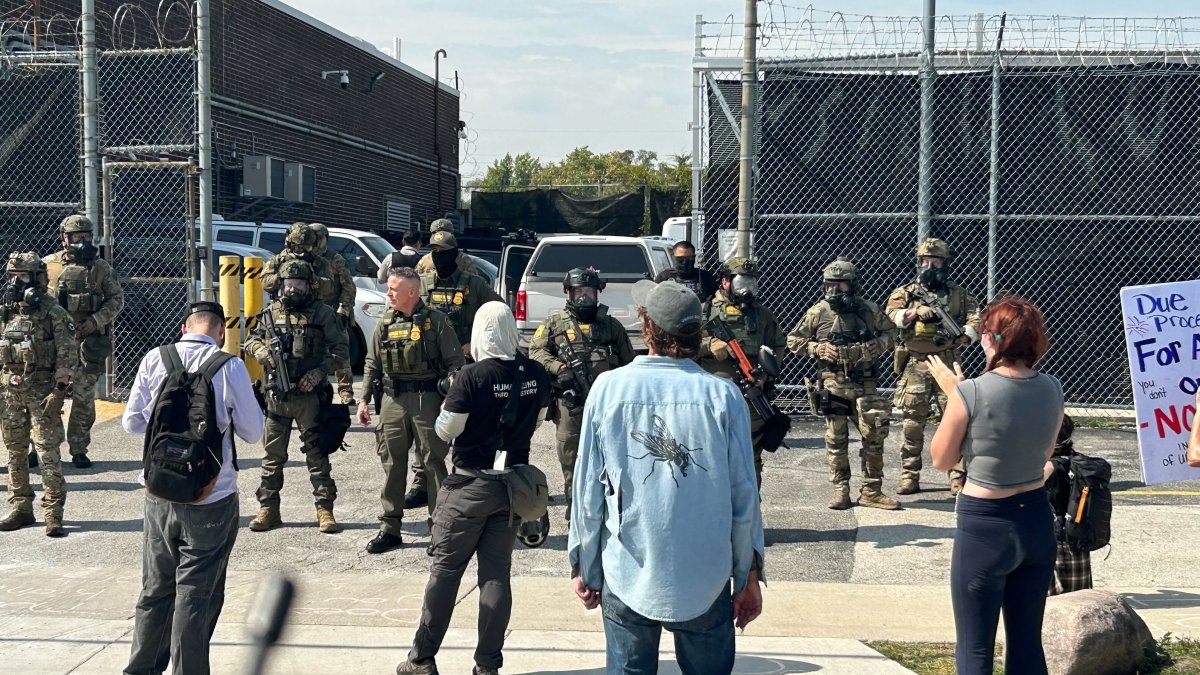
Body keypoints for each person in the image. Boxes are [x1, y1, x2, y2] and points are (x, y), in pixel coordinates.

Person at [569, 279, 764, 673]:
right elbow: (744, 496)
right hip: (706, 576)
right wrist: (747, 575)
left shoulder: (608, 388)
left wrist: (585, 565)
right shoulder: (724, 396)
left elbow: (588, 488)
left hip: (627, 572)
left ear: (647, 328)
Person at [396, 301, 551, 675]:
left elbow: (446, 430)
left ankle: (422, 658)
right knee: (496, 575)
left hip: (469, 483)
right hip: (511, 488)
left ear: (480, 333)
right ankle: (487, 665)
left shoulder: (470, 376)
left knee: (446, 572)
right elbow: (540, 418)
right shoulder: (536, 372)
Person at [121, 301, 264, 675]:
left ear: (185, 328)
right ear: (220, 332)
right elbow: (253, 432)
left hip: (158, 493)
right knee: (196, 594)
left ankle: (142, 669)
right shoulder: (228, 365)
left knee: (156, 588)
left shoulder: (156, 358)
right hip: (211, 496)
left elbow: (131, 424)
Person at [927, 295, 1062, 675]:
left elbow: (941, 459)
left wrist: (955, 393)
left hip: (986, 525)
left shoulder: (970, 391)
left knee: (975, 648)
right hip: (1036, 521)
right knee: (1026, 644)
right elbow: (1045, 452)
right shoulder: (1053, 387)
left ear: (990, 338)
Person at [356, 266, 463, 554]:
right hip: (392, 400)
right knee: (392, 464)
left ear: (412, 292)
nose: (387, 293)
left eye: (393, 289)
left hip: (427, 399)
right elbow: (372, 364)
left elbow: (456, 364)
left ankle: (440, 529)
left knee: (433, 463)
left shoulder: (438, 322)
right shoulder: (385, 323)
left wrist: (449, 398)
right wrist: (364, 399)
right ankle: (390, 528)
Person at [243, 259, 349, 533]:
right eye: (288, 285)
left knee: (316, 456)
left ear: (309, 286)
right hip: (277, 397)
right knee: (271, 458)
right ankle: (268, 508)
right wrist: (262, 352)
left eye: (298, 284)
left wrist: (318, 372)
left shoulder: (323, 314)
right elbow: (251, 339)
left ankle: (325, 510)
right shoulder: (270, 313)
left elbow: (340, 350)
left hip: (309, 398)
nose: (292, 290)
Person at [788, 257, 900, 510]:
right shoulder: (818, 312)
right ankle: (841, 490)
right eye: (829, 285)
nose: (834, 291)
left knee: (874, 437)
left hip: (866, 383)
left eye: (840, 285)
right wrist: (818, 348)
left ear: (853, 285)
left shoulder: (869, 310)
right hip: (834, 383)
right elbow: (794, 340)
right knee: (836, 439)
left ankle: (872, 490)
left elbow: (892, 332)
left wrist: (879, 344)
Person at [407, 230, 502, 510]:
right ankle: (421, 483)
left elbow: (497, 313)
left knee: (467, 425)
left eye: (444, 252)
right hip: (429, 366)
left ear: (455, 254)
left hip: (465, 367)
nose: (438, 257)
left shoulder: (474, 283)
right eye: (433, 252)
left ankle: (471, 481)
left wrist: (474, 342)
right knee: (425, 428)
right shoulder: (422, 284)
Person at [529, 267, 634, 520]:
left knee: (612, 454)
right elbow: (536, 352)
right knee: (571, 456)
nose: (584, 298)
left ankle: (610, 505)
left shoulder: (612, 326)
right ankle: (575, 504)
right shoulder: (554, 324)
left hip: (607, 404)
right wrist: (559, 368)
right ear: (568, 293)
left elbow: (629, 365)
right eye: (578, 292)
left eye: (589, 292)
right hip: (571, 404)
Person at [885, 237, 980, 495]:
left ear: (945, 263)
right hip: (916, 364)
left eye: (935, 260)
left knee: (955, 420)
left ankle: (957, 475)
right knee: (911, 424)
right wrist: (915, 312)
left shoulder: (958, 293)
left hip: (947, 363)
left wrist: (964, 335)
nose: (929, 265)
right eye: (924, 261)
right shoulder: (906, 292)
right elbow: (890, 316)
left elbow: (975, 316)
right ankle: (909, 476)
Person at [0, 252, 77, 536]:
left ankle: (52, 514)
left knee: (46, 452)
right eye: (11, 276)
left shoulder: (52, 312)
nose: (14, 282)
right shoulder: (7, 311)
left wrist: (59, 392)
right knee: (15, 451)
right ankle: (21, 509)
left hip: (43, 392)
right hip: (11, 392)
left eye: (21, 277)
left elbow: (67, 355)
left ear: (36, 280)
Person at [42, 214, 124, 469]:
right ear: (64, 238)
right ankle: (42, 446)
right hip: (53, 343)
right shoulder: (47, 266)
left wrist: (96, 321)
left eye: (86, 236)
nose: (82, 241)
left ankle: (78, 448)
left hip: (87, 341)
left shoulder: (101, 268)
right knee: (46, 395)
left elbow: (116, 299)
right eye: (77, 237)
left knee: (84, 398)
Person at [699, 257, 786, 488]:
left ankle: (749, 513)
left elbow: (777, 345)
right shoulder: (704, 311)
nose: (747, 290)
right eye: (741, 283)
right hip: (712, 397)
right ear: (725, 282)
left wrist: (766, 375)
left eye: (752, 283)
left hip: (751, 395)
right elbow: (681, 345)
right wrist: (709, 345)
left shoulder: (763, 314)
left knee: (751, 456)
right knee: (711, 456)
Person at [308, 222, 358, 405]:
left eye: (317, 238)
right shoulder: (305, 258)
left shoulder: (335, 259)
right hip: (311, 313)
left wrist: (344, 311)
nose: (314, 242)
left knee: (341, 352)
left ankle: (346, 392)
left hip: (333, 311)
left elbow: (348, 287)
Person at [653, 240, 718, 304]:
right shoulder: (664, 277)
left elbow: (716, 300)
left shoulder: (705, 277)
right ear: (673, 257)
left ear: (694, 258)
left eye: (689, 259)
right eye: (680, 259)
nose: (684, 262)